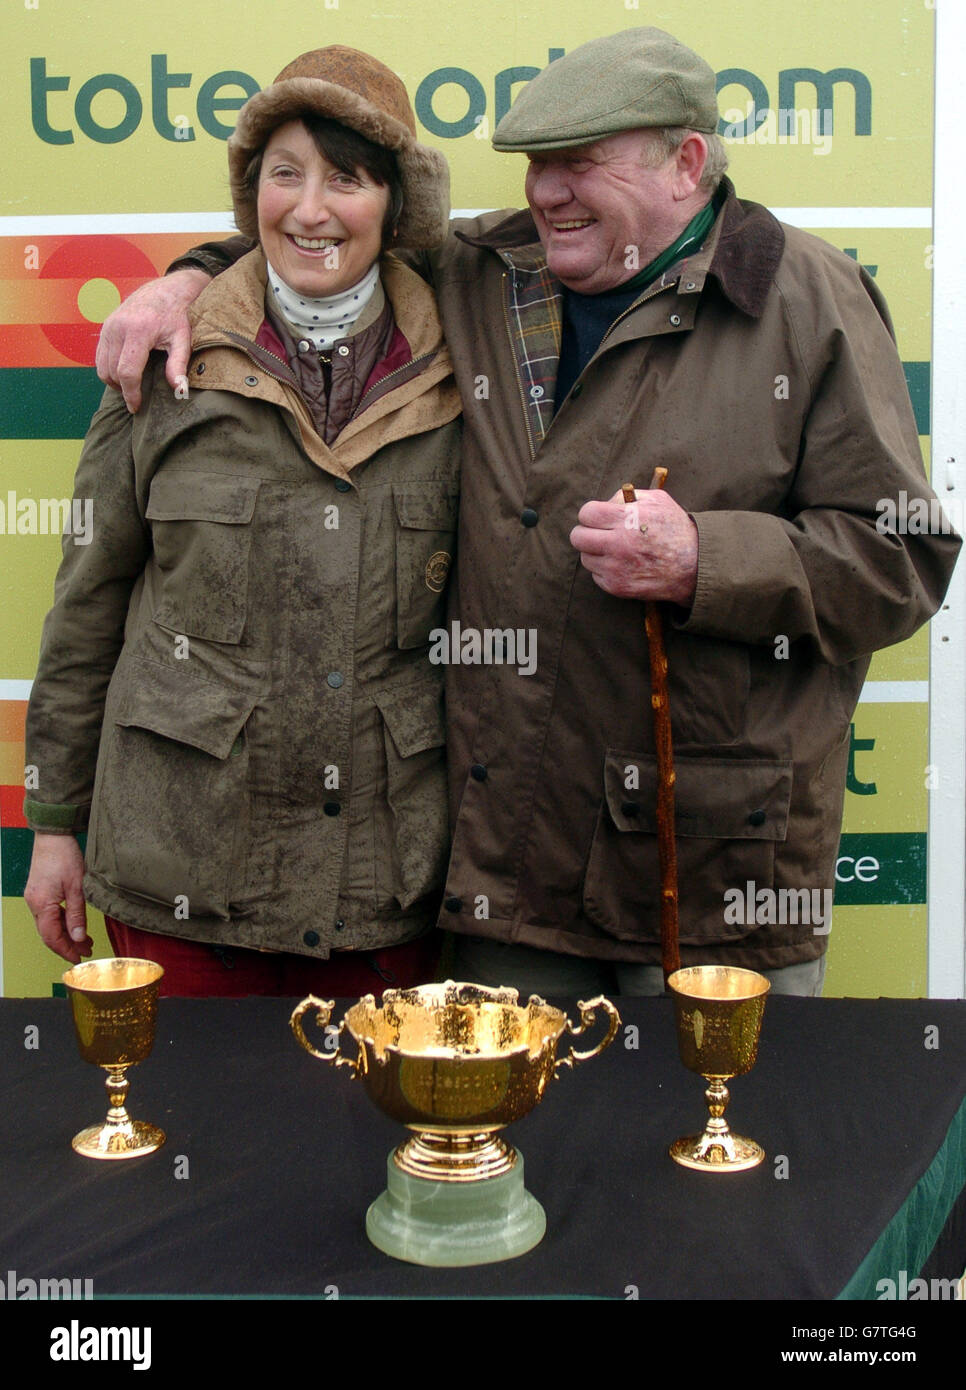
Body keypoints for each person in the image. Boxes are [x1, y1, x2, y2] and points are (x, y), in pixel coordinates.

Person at [94, 27, 960, 997]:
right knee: (518, 1144)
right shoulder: (483, 268)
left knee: (715, 1137)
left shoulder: (805, 295)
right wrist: (190, 276)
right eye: (537, 164)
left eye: (580, 163)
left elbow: (904, 555)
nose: (546, 191)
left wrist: (707, 559)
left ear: (686, 161)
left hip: (711, 874)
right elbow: (322, 236)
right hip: (516, 876)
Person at [23, 46, 462, 997]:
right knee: (195, 1137)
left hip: (385, 891)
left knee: (374, 1145)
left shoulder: (465, 374)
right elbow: (87, 607)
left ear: (394, 203)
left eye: (346, 178)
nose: (309, 209)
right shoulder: (160, 362)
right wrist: (54, 823)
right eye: (283, 174)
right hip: (180, 883)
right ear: (249, 191)